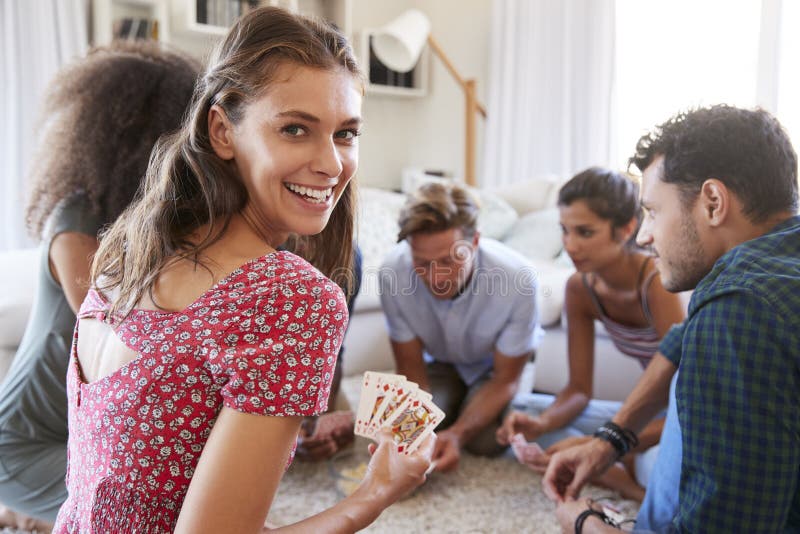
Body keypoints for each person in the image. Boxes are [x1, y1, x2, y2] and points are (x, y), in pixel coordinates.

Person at [52, 7, 433, 533]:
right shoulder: (291, 299)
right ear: (222, 131)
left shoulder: (126, 251)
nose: (331, 163)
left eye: (346, 133)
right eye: (295, 129)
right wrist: (376, 492)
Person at [544, 105, 800, 533]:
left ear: (713, 202)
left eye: (654, 211)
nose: (645, 236)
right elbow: (682, 336)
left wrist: (585, 523)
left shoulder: (739, 307)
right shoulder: (770, 269)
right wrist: (610, 441)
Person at [0, 42, 199, 532]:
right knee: (157, 510)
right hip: (24, 445)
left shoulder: (151, 223)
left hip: (87, 436)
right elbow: (129, 333)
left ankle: (32, 513)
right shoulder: (77, 225)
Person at [496, 167, 685, 501]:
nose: (570, 245)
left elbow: (685, 407)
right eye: (564, 231)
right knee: (522, 411)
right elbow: (578, 390)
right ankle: (612, 461)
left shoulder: (656, 283)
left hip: (681, 416)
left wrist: (603, 441)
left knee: (663, 470)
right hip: (640, 416)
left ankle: (623, 479)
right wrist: (543, 423)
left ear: (626, 228)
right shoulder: (580, 288)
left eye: (584, 232)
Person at [379, 182, 542, 473]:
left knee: (486, 442)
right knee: (413, 427)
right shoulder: (392, 272)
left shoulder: (519, 279)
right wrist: (411, 434)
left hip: (495, 370)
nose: (436, 277)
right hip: (441, 363)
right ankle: (455, 407)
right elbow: (411, 368)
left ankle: (470, 412)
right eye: (422, 263)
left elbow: (505, 379)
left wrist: (457, 434)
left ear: (475, 241)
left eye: (448, 260)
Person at [295, 246, 362, 461]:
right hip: (249, 372)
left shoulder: (348, 256)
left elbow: (334, 351)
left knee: (340, 439)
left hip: (312, 368)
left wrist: (320, 418)